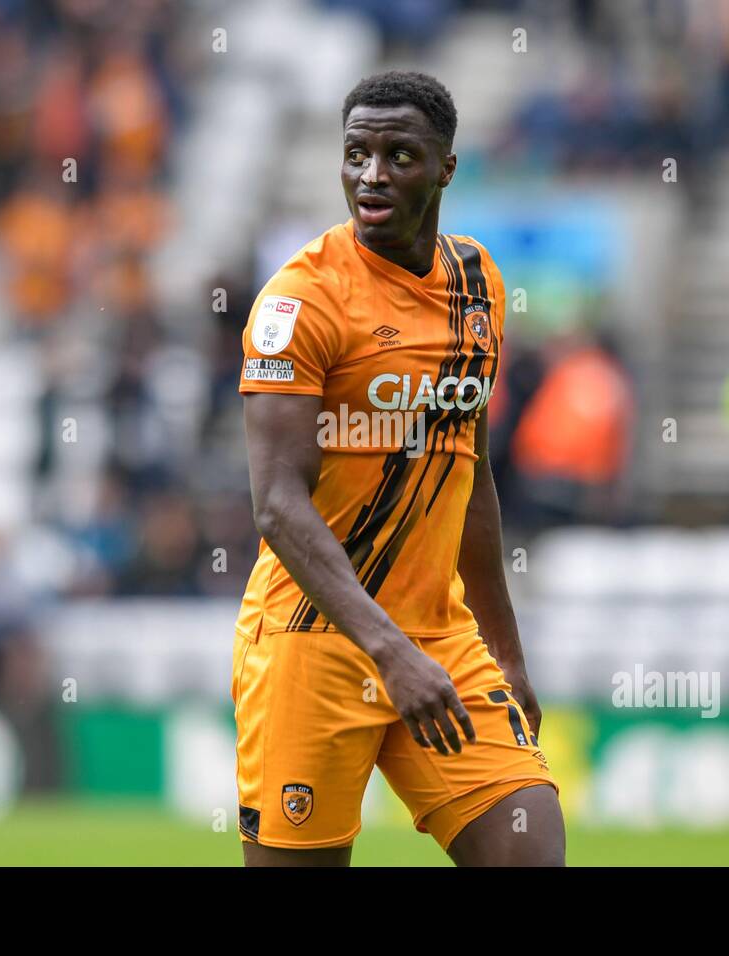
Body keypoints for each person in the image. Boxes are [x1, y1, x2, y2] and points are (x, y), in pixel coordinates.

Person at [233, 71, 564, 867]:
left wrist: (507, 652)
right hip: (313, 642)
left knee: (530, 850)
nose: (372, 175)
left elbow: (469, 468)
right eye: (356, 154)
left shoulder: (478, 285)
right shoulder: (300, 302)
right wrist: (387, 652)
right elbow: (276, 504)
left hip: (438, 638)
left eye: (399, 155)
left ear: (446, 167)